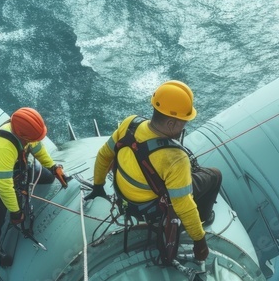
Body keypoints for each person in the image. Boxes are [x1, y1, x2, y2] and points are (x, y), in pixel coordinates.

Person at [85, 80, 221, 262]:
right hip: (151, 209)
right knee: (214, 175)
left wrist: (98, 186)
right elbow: (183, 206)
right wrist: (199, 241)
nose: (184, 126)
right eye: (183, 122)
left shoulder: (129, 124)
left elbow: (103, 155)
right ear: (172, 124)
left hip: (126, 201)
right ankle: (205, 217)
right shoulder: (175, 158)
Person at [0, 107, 67, 262]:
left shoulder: (24, 133)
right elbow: (4, 187)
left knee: (47, 177)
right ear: (23, 135)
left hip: (16, 168)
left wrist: (52, 167)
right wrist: (15, 212)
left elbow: (37, 147)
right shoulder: (2, 148)